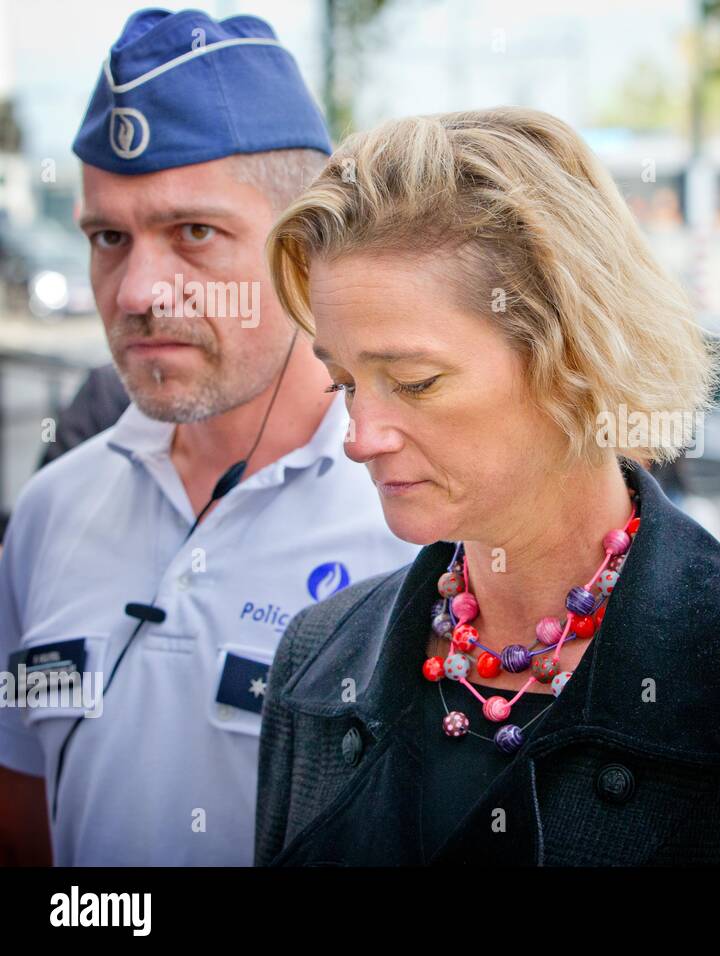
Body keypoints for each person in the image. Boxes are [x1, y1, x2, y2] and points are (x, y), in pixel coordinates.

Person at [254, 108, 720, 866]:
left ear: (573, 356)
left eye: (414, 382)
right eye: (343, 384)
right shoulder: (314, 658)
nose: (361, 437)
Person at [0, 8, 418, 866]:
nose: (137, 290)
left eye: (195, 233)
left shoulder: (417, 519)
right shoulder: (50, 512)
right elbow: (23, 814)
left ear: (306, 245)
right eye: (108, 237)